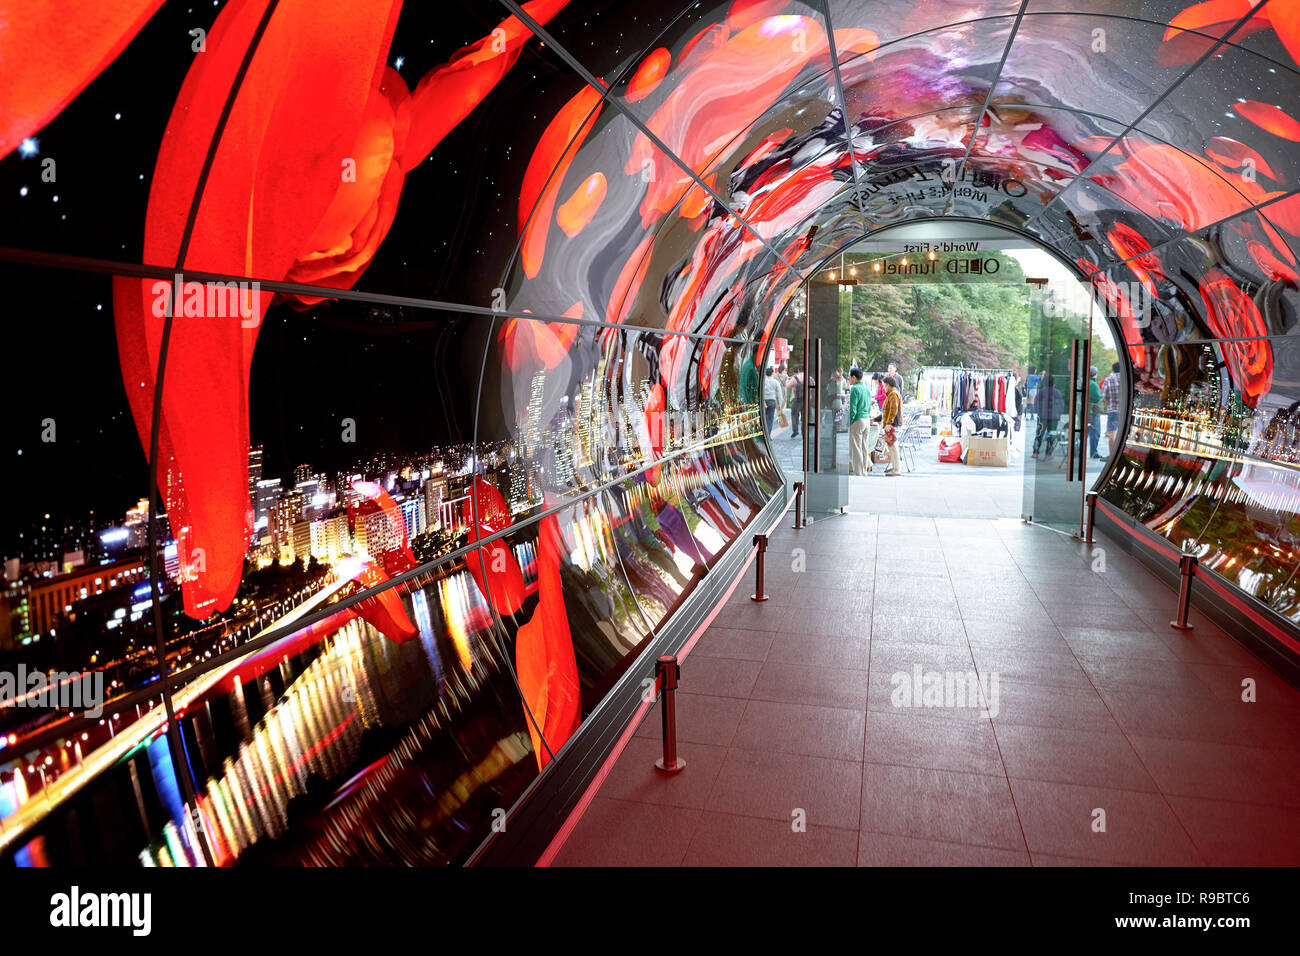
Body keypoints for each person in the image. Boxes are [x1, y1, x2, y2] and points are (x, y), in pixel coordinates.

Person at [1031, 373, 1063, 459]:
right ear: (1054, 383)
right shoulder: (1057, 393)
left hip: (1042, 416)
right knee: (1051, 435)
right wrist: (1058, 414)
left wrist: (1039, 412)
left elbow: (1036, 404)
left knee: (1039, 434)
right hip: (1054, 418)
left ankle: (1035, 452)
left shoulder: (1040, 392)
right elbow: (1061, 405)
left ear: (1044, 383)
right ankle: (1048, 453)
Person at [848, 368, 871, 475]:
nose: (849, 379)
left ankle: (859, 472)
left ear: (853, 377)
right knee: (864, 447)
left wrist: (850, 421)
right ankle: (864, 470)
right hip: (867, 420)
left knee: (856, 447)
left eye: (849, 377)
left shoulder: (854, 389)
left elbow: (853, 408)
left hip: (858, 420)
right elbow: (869, 406)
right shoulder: (866, 389)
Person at [880, 375, 903, 476]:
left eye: (884, 385)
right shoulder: (892, 394)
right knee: (892, 447)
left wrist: (888, 423)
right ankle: (895, 467)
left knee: (893, 448)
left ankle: (896, 469)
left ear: (888, 385)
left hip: (893, 425)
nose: (883, 387)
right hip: (892, 424)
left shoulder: (893, 395)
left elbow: (893, 410)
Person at [1102, 361, 1122, 457]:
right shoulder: (1126, 379)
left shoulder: (1108, 380)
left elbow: (1104, 396)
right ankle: (1121, 455)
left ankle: (1112, 455)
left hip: (1112, 410)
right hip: (1124, 411)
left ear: (1113, 369)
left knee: (1112, 433)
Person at [1087, 365, 1104, 460]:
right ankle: (1094, 452)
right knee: (1095, 433)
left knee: (1088, 432)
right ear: (1095, 374)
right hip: (1093, 411)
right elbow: (1097, 397)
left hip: (1087, 411)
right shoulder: (1093, 384)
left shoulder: (1085, 382)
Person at [762, 365, 783, 435]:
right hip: (772, 401)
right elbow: (779, 394)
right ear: (772, 373)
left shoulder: (762, 382)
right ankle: (768, 435)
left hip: (763, 401)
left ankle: (763, 434)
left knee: (763, 418)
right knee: (770, 419)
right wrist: (780, 404)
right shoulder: (775, 382)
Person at [785, 365, 805, 438]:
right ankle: (804, 432)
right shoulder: (809, 377)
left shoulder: (794, 378)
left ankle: (795, 431)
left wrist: (787, 380)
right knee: (805, 417)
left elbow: (787, 387)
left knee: (794, 416)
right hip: (806, 400)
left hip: (796, 399)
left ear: (798, 370)